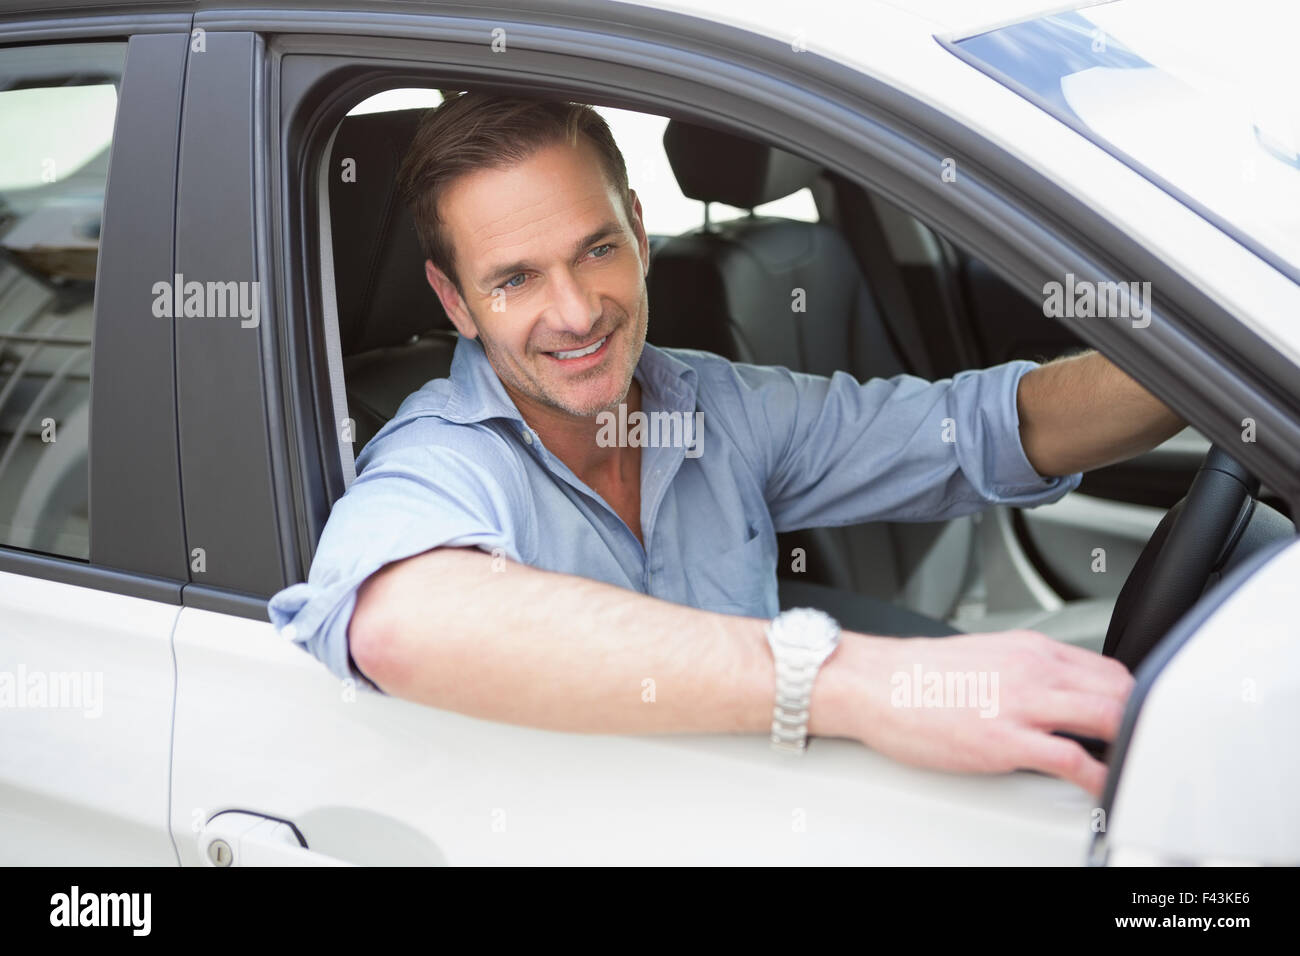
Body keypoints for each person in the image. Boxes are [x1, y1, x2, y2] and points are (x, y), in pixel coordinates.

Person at [270, 93, 1184, 797]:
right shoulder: (442, 455)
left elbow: (988, 427)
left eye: (596, 250)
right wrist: (860, 682)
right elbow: (398, 619)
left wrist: (1201, 365)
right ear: (457, 303)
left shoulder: (710, 402)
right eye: (515, 280)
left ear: (638, 225)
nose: (579, 312)